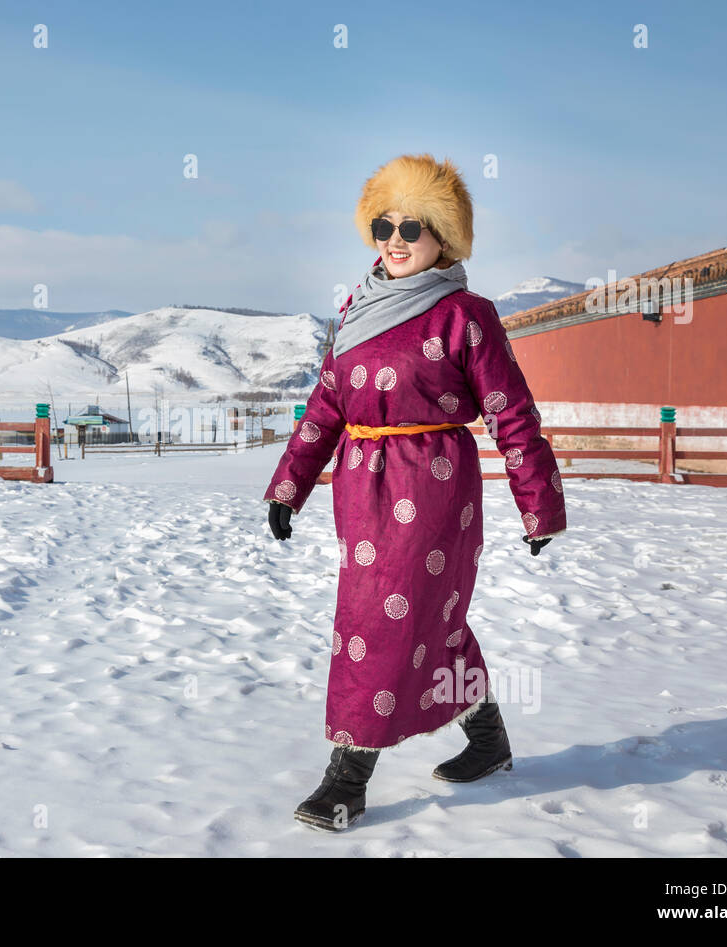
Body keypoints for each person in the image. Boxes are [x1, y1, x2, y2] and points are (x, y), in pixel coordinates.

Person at [263, 153, 567, 831]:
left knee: (381, 621)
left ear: (443, 238)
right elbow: (327, 401)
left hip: (433, 488)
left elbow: (509, 410)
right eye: (383, 222)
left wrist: (539, 502)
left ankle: (349, 775)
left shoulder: (467, 315)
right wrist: (291, 484)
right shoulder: (357, 310)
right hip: (360, 488)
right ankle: (488, 740)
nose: (395, 238)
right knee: (436, 623)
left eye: (413, 226)